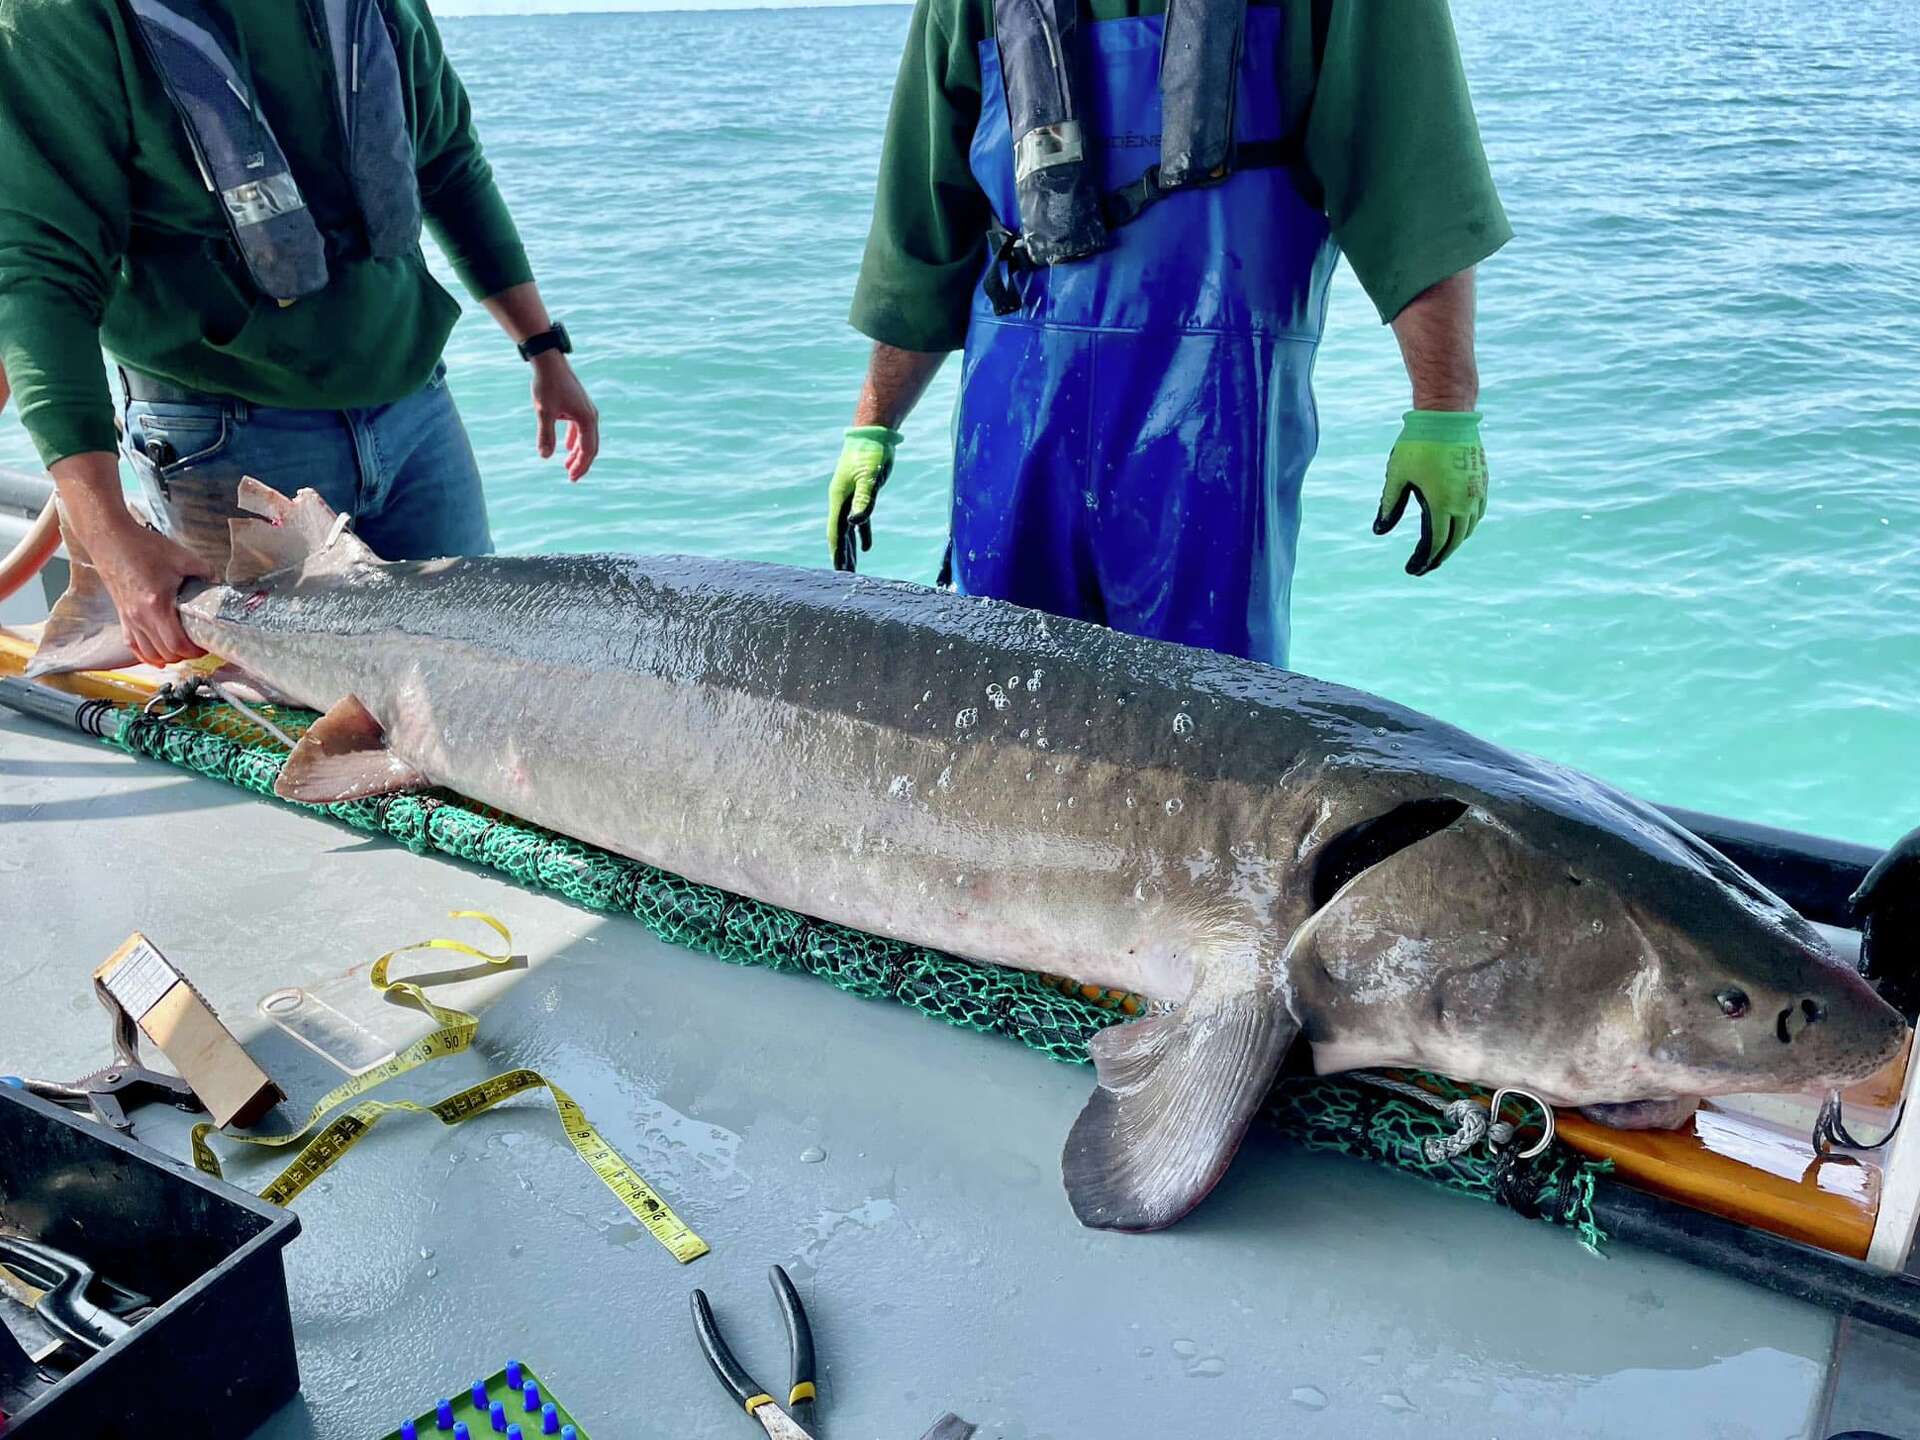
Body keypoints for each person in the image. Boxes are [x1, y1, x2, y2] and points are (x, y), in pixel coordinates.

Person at [827, 0, 1508, 667]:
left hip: (1214, 426)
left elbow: (1411, 180)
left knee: (1214, 723)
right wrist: (873, 425)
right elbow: (925, 227)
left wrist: (1443, 410)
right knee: (997, 700)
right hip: (1012, 420)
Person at [0, 0, 598, 668]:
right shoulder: (60, 15)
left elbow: (449, 163)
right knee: (286, 725)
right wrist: (106, 528)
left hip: (416, 411)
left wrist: (542, 347)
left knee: (475, 673)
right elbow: (40, 273)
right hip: (224, 439)